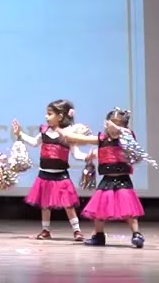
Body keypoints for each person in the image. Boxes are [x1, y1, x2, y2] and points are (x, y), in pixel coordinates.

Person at [12, 100, 96, 241]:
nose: (46, 116)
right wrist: (20, 133)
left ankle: (77, 230)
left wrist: (87, 156)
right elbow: (34, 142)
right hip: (44, 174)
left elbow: (76, 154)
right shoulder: (44, 130)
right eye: (46, 113)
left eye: (50, 114)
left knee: (68, 204)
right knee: (45, 204)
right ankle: (45, 230)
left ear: (61, 116)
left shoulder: (68, 134)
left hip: (60, 175)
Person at [81, 108, 145, 248]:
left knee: (129, 211)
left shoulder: (127, 137)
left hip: (123, 179)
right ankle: (99, 236)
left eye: (118, 124)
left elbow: (126, 133)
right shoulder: (102, 139)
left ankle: (136, 234)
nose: (113, 126)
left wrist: (117, 128)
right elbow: (78, 139)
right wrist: (67, 131)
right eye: (111, 123)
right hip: (107, 180)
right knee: (99, 209)